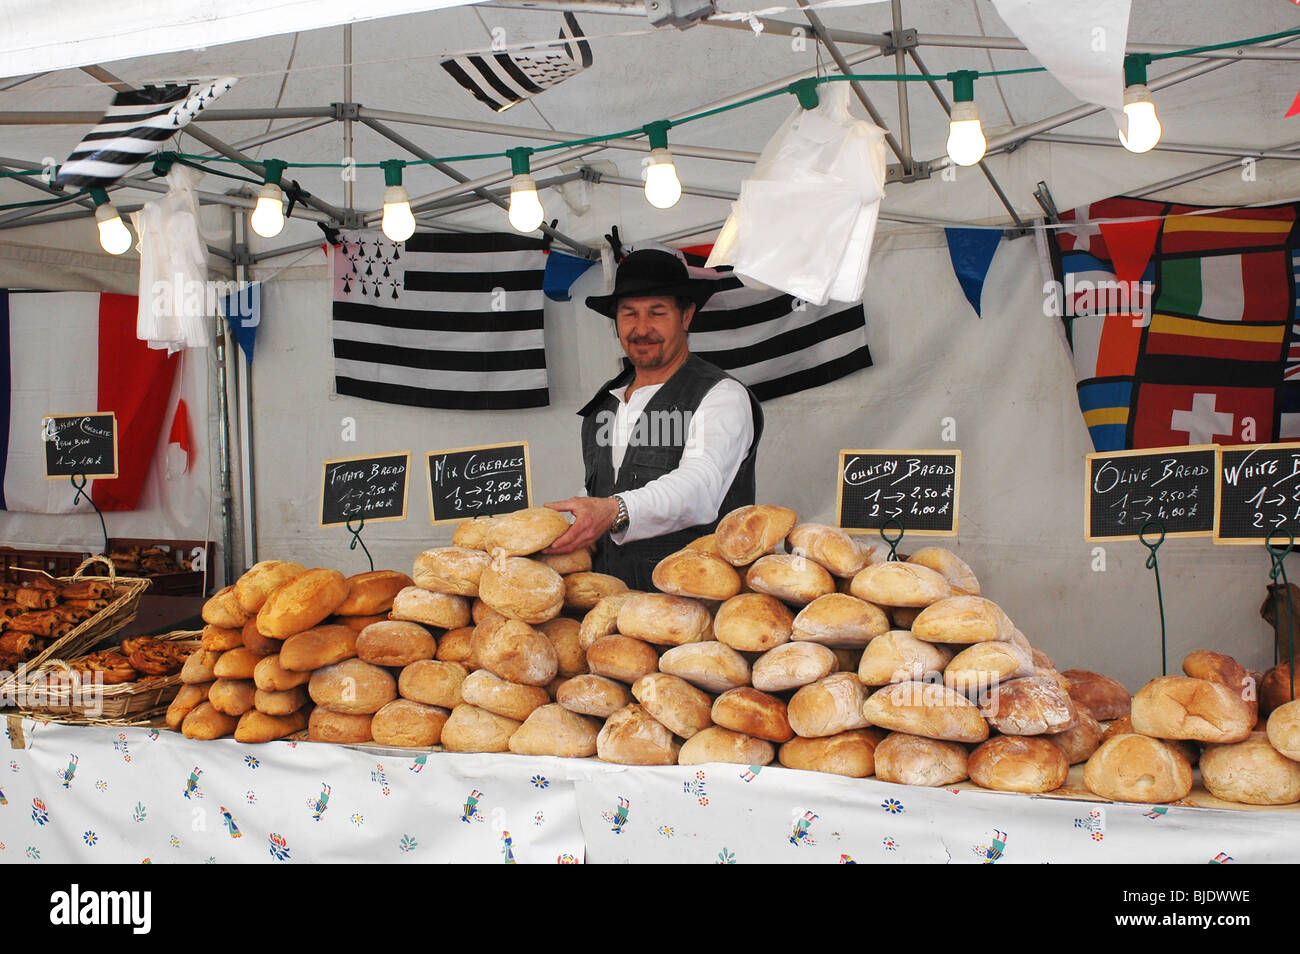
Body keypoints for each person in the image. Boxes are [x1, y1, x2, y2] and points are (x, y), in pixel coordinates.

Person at [545, 248, 764, 590]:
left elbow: (700, 486)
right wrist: (578, 520)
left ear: (686, 316)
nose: (641, 328)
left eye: (657, 312)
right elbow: (604, 487)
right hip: (610, 601)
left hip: (695, 603)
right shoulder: (605, 404)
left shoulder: (720, 395)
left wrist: (612, 510)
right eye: (629, 314)